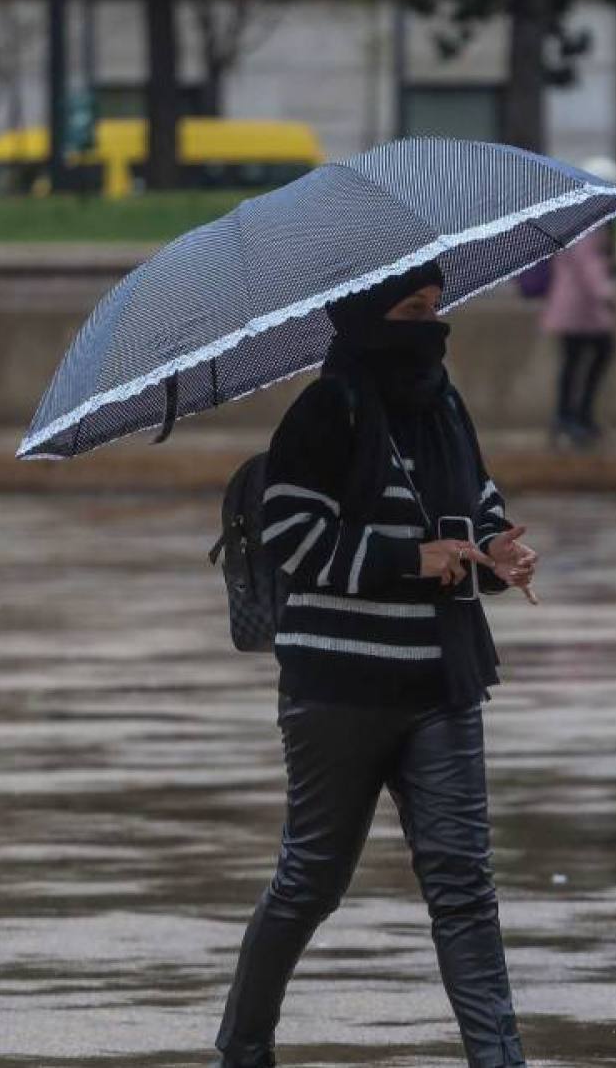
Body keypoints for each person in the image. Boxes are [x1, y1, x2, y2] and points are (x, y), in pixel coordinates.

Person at [212, 260, 539, 1068]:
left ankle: (500, 1059)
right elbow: (295, 537)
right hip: (341, 691)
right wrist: (409, 559)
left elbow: (476, 504)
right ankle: (242, 1047)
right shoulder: (326, 411)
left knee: (465, 889)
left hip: (443, 681)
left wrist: (498, 555)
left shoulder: (445, 408)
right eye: (411, 309)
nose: (430, 326)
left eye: (436, 307)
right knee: (311, 880)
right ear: (365, 319)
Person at [540, 155, 616, 450]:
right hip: (580, 307)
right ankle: (574, 417)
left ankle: (572, 417)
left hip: (577, 306)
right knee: (589, 356)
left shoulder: (578, 213)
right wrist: (606, 295)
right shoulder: (588, 219)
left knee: (576, 360)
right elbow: (589, 264)